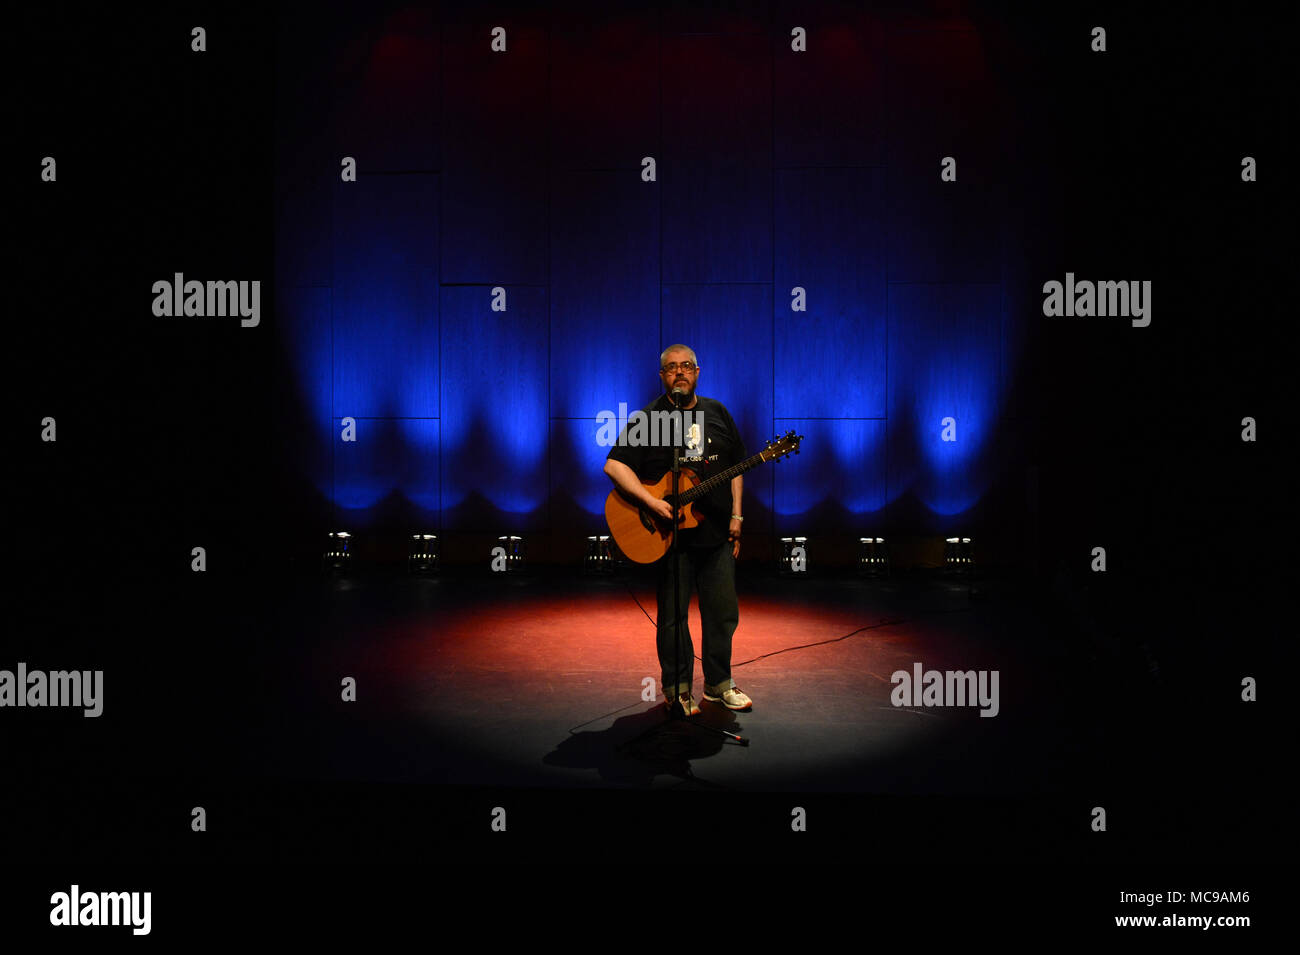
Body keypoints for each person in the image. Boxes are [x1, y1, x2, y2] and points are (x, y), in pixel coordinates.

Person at [603, 344, 753, 716]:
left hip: (716, 534)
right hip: (670, 540)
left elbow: (735, 468)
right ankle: (677, 689)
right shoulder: (649, 419)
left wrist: (737, 517)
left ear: (698, 372)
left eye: (686, 366)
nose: (680, 372)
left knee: (722, 613)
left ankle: (719, 684)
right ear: (662, 376)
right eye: (671, 368)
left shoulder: (717, 413)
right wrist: (651, 501)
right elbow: (614, 466)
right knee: (673, 618)